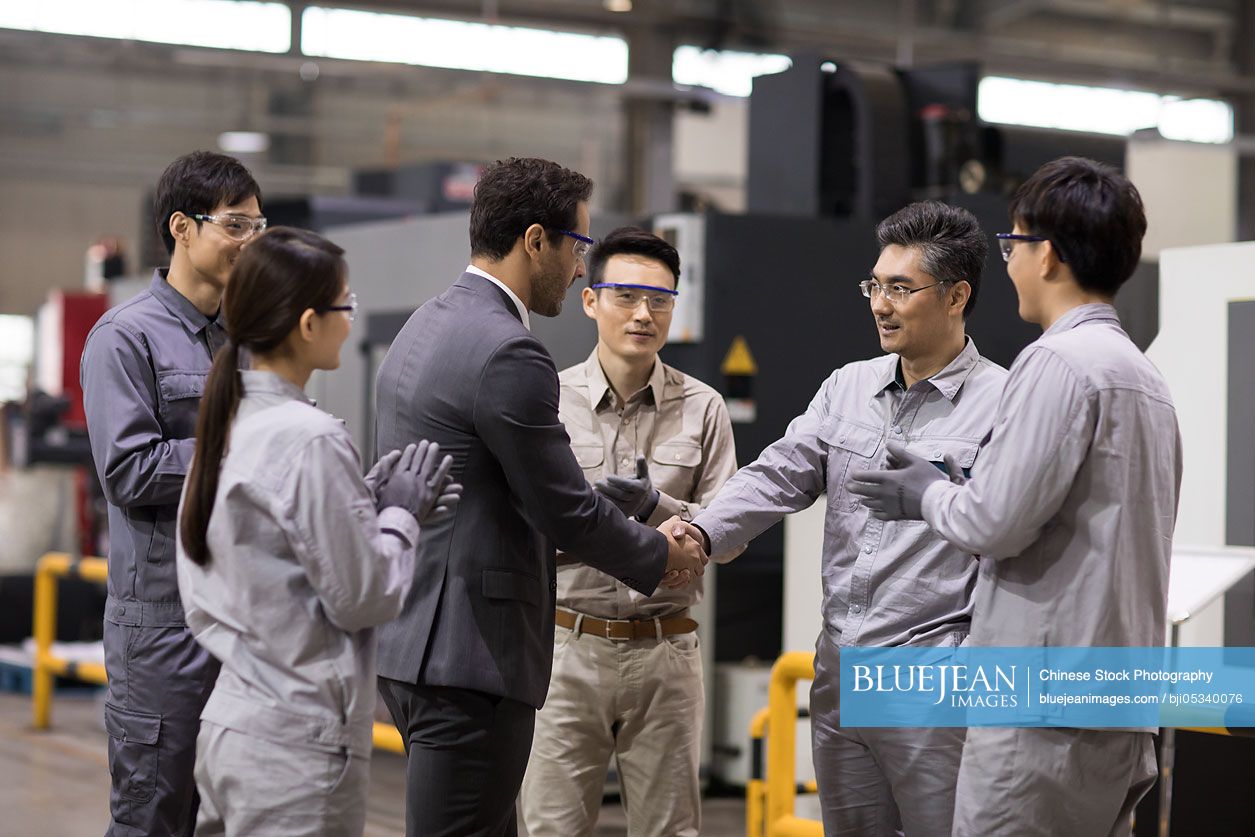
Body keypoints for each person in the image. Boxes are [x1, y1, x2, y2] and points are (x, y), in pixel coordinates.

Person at [373, 158, 707, 837]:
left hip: (416, 642)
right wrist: (659, 553)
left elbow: (497, 490)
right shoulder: (510, 351)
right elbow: (564, 511)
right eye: (577, 246)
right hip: (473, 656)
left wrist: (603, 502)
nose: (580, 266)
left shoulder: (426, 323)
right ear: (534, 241)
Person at [848, 157, 1182, 837]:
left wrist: (929, 494)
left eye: (1013, 244)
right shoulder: (1143, 375)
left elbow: (994, 524)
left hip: (1040, 705)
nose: (1010, 263)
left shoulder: (1056, 361)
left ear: (1047, 254)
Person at [688, 202, 1008, 837]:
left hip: (929, 672)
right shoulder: (847, 387)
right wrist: (700, 533)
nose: (880, 305)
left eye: (900, 289)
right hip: (839, 664)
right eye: (874, 286)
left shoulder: (1003, 403)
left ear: (957, 296)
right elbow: (779, 473)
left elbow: (1008, 535)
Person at [174, 227, 460, 836]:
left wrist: (361, 509)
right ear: (309, 324)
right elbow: (364, 598)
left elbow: (276, 556)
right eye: (345, 305)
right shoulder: (310, 438)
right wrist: (401, 516)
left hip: (232, 725)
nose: (350, 321)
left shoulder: (227, 425)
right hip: (296, 743)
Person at [519, 227, 741, 837]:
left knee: (670, 830)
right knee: (551, 828)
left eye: (660, 300)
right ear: (591, 301)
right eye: (626, 296)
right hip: (566, 649)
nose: (644, 314)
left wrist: (657, 505)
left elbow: (733, 534)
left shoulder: (704, 407)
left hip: (666, 652)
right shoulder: (547, 400)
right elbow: (523, 524)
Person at [81, 150, 263, 835]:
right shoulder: (125, 338)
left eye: (258, 226)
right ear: (182, 228)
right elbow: (128, 470)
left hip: (238, 615)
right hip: (162, 627)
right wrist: (242, 448)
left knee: (224, 813)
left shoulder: (244, 341)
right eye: (235, 225)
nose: (250, 242)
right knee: (153, 812)